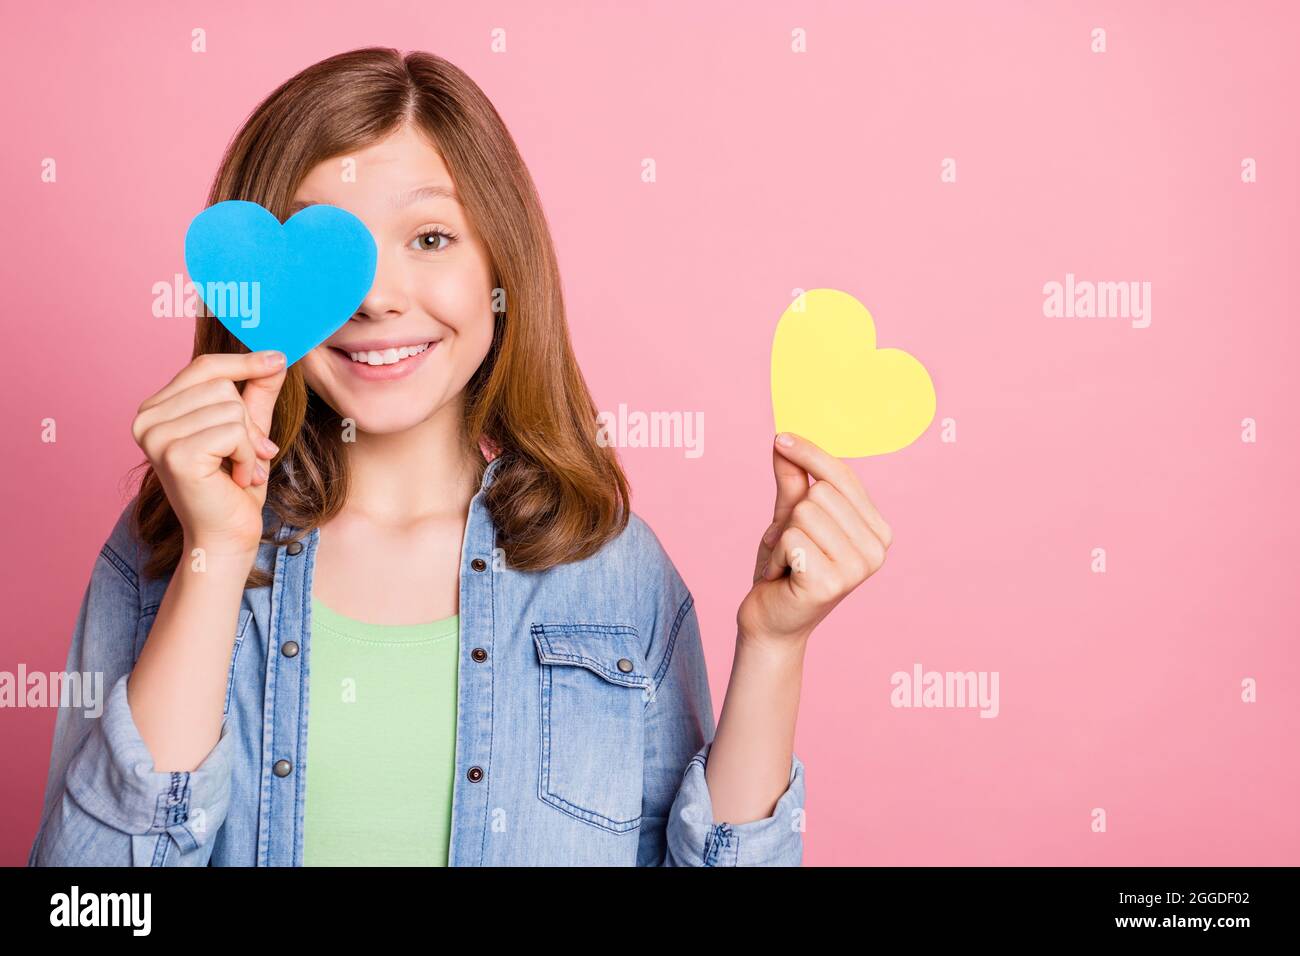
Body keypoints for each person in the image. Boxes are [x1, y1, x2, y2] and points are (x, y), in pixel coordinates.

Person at [29, 47, 891, 867]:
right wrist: (213, 558)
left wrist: (775, 645)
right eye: (331, 247)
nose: (375, 296)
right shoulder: (161, 556)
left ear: (498, 267)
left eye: (430, 239)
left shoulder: (615, 573)